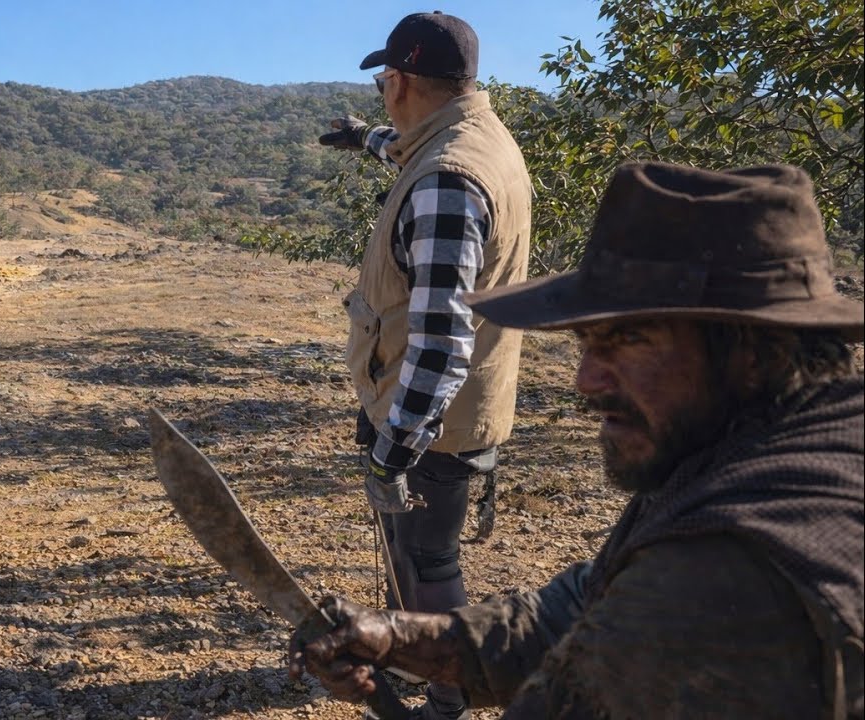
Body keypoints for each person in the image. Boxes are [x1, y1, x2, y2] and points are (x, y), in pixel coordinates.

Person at [289, 161, 865, 718]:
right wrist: (399, 637)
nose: (585, 380)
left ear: (753, 351)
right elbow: (584, 605)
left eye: (629, 339)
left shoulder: (721, 573)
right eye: (586, 342)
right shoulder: (745, 453)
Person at [318, 11, 532, 719]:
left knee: (426, 563)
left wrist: (391, 452)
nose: (383, 90)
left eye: (385, 79)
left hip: (432, 424)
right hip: (456, 410)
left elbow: (439, 341)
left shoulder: (446, 177)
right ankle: (438, 673)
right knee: (421, 557)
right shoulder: (471, 137)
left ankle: (450, 697)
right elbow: (410, 149)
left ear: (403, 79)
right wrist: (364, 139)